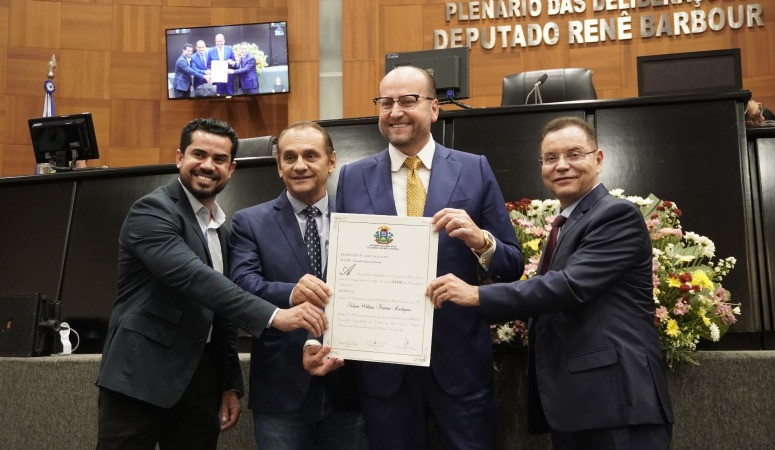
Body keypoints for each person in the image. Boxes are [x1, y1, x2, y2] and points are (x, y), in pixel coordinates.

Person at [305, 65, 523, 449]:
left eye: (408, 100)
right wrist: (320, 336)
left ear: (435, 109)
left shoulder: (474, 169)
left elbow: (512, 265)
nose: (395, 111)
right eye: (385, 102)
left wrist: (480, 241)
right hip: (383, 370)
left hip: (459, 363)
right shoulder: (353, 177)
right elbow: (340, 269)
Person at [427, 116, 675, 449]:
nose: (561, 166)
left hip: (618, 405)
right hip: (578, 406)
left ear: (598, 160)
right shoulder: (565, 224)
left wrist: (477, 296)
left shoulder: (616, 215)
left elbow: (569, 286)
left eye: (574, 154)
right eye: (550, 158)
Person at [96, 118, 328, 449]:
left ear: (231, 169)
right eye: (199, 154)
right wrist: (276, 315)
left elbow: (222, 313)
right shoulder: (152, 211)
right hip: (140, 377)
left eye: (219, 159)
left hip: (199, 381)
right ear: (180, 158)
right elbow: (196, 279)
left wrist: (229, 382)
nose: (208, 165)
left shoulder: (221, 229)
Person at [229, 121, 367, 449]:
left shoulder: (362, 220)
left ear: (331, 161)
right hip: (281, 390)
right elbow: (240, 284)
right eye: (289, 157)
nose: (300, 165)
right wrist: (290, 291)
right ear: (279, 166)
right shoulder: (250, 222)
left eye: (310, 155)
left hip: (351, 387)